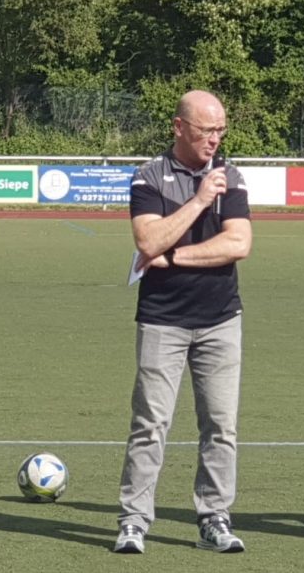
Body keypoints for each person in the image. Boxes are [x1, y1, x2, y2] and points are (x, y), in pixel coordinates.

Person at [112, 89, 252, 555]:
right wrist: (196, 202)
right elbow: (146, 240)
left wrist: (175, 256)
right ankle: (134, 520)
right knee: (150, 422)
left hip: (220, 319)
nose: (215, 139)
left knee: (220, 425)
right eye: (206, 130)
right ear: (179, 128)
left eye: (220, 130)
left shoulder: (231, 176)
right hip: (162, 320)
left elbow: (238, 245)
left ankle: (214, 517)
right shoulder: (149, 177)